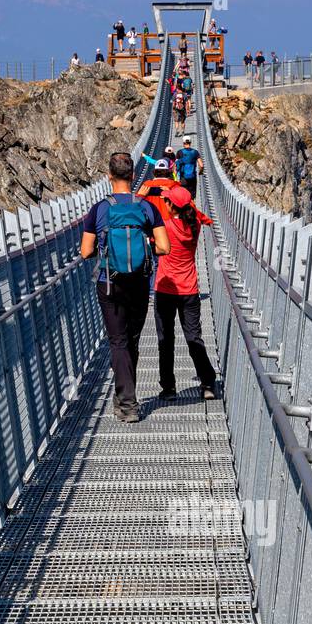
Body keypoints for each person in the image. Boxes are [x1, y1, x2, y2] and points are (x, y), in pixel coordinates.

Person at [80, 152, 170, 423]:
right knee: (130, 340)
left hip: (109, 283)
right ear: (133, 176)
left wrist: (105, 248)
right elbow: (164, 247)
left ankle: (127, 403)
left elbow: (85, 252)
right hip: (140, 283)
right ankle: (125, 398)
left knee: (117, 341)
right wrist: (145, 246)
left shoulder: (99, 209)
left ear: (109, 176)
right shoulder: (146, 207)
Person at [153, 185, 217, 401]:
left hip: (165, 289)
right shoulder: (195, 224)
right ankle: (208, 382)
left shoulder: (165, 227)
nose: (165, 203)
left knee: (165, 339)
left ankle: (168, 388)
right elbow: (198, 215)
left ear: (171, 205)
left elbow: (153, 242)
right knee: (193, 337)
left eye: (167, 201)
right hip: (189, 289)